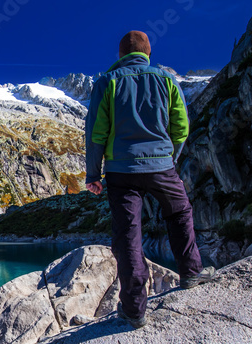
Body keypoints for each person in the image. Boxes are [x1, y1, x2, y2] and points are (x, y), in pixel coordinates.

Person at [84, 31, 208, 329]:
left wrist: (93, 174)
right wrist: (170, 158)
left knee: (128, 234)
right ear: (148, 53)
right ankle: (191, 272)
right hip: (162, 166)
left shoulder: (107, 82)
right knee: (179, 213)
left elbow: (96, 133)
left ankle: (134, 309)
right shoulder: (167, 80)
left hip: (121, 171)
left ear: (120, 55)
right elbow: (181, 126)